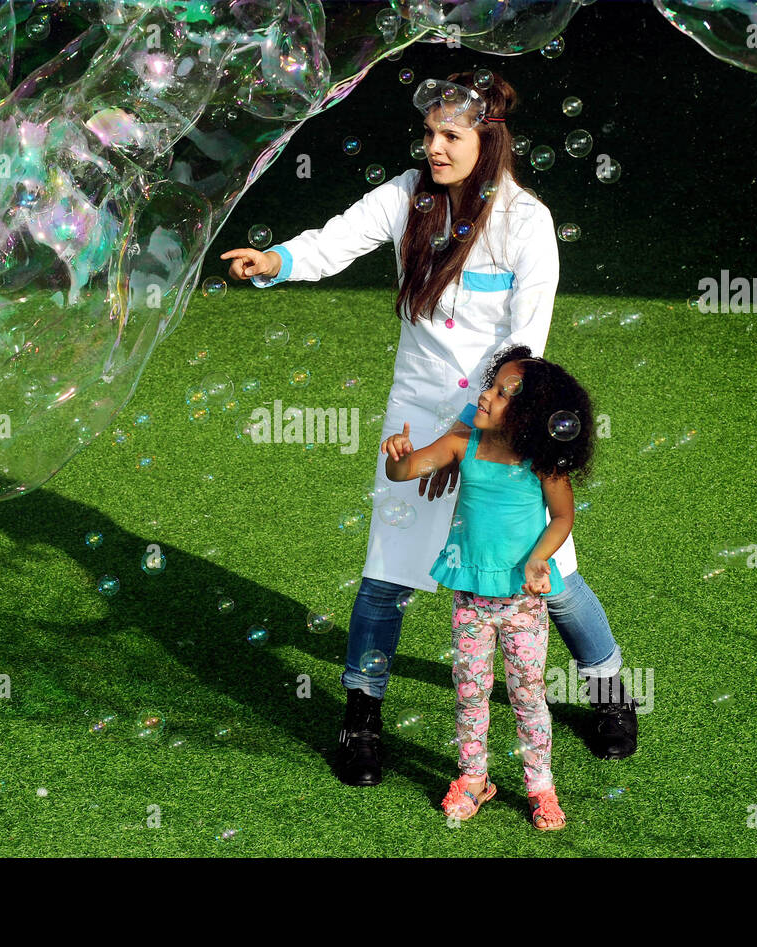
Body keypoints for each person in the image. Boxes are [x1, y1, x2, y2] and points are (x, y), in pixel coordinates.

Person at [221, 70, 639, 788]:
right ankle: (361, 714)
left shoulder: (526, 222)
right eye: (429, 133)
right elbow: (335, 241)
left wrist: (466, 436)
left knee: (553, 575)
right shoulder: (404, 196)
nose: (435, 147)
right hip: (416, 417)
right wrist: (275, 261)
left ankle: (609, 689)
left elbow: (524, 345)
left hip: (499, 422)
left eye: (452, 135)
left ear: (489, 139)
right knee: (388, 569)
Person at [382, 346, 594, 829]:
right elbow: (410, 469)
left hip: (523, 600)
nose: (486, 396)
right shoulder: (464, 442)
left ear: (530, 415)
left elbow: (563, 515)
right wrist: (398, 458)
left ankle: (541, 786)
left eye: (502, 394)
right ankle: (474, 779)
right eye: (491, 386)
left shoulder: (542, 461)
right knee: (470, 692)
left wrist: (540, 557)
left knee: (527, 694)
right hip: (470, 596)